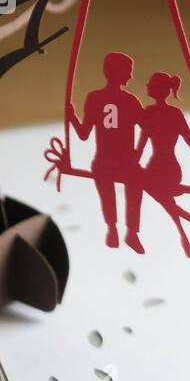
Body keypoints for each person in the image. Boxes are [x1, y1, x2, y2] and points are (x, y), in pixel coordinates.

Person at [68, 52, 145, 252]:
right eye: (129, 72)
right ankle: (131, 232)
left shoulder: (95, 98)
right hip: (124, 162)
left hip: (104, 162)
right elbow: (148, 127)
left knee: (107, 185)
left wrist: (73, 117)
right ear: (118, 73)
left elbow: (83, 134)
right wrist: (138, 151)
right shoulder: (130, 100)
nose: (131, 76)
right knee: (135, 185)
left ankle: (113, 228)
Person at [134, 71, 190, 257]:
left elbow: (140, 149)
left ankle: (188, 225)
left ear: (157, 89)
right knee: (166, 201)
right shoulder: (175, 114)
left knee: (163, 199)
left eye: (150, 84)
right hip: (171, 169)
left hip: (158, 168)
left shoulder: (150, 113)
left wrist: (125, 163)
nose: (146, 86)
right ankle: (188, 226)